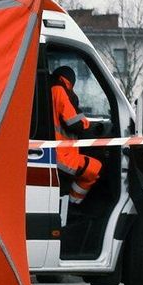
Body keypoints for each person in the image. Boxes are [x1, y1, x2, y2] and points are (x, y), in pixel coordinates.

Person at [50, 65, 101, 204]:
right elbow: (73, 122)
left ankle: (70, 203)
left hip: (55, 154)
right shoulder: (59, 89)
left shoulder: (50, 88)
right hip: (61, 157)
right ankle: (74, 204)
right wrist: (86, 125)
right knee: (94, 168)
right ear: (69, 81)